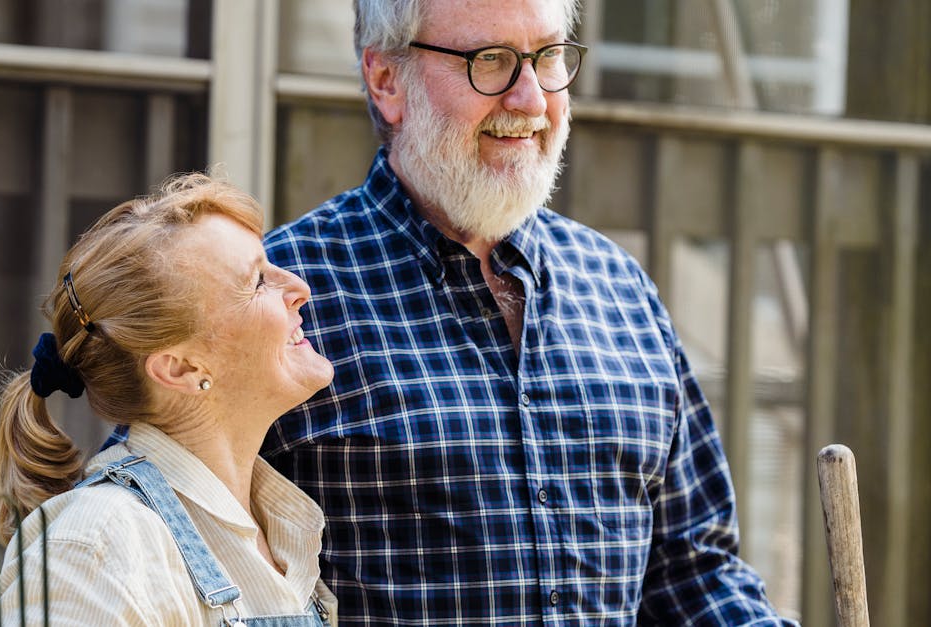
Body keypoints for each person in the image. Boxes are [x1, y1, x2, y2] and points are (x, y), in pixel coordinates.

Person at [258, 0, 798, 624]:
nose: (531, 101)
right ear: (387, 80)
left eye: (546, 59)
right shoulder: (283, 294)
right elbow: (170, 523)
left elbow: (692, 572)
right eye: (490, 61)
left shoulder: (620, 290)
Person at [0, 173, 338, 626]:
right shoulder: (97, 548)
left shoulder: (278, 532)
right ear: (181, 368)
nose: (299, 288)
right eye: (256, 282)